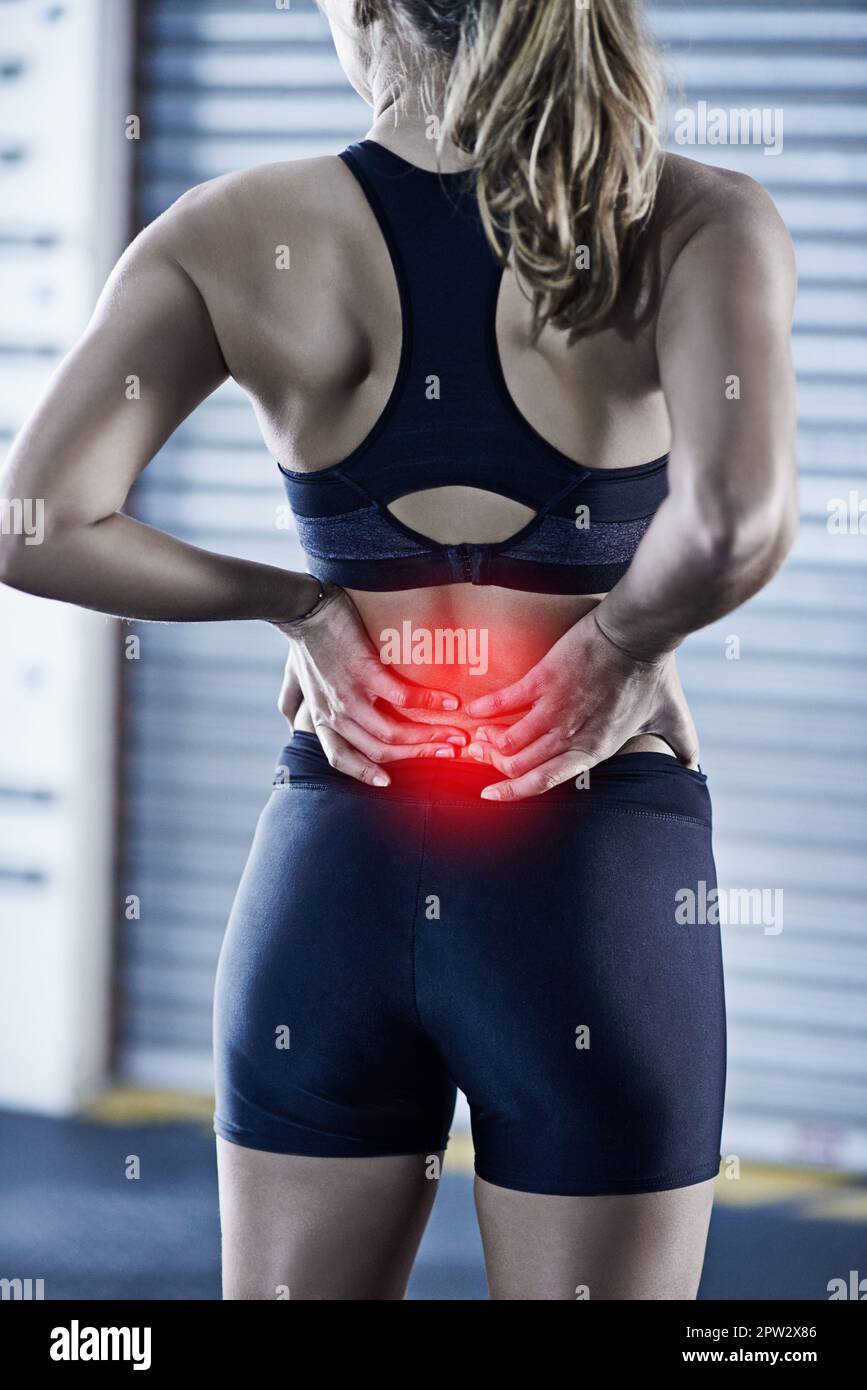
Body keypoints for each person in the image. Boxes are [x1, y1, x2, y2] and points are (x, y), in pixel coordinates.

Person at [0, 0, 797, 1299]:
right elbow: (734, 524)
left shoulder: (230, 232)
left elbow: (32, 524)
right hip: (591, 875)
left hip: (336, 865)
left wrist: (301, 605)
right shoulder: (697, 218)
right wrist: (614, 648)